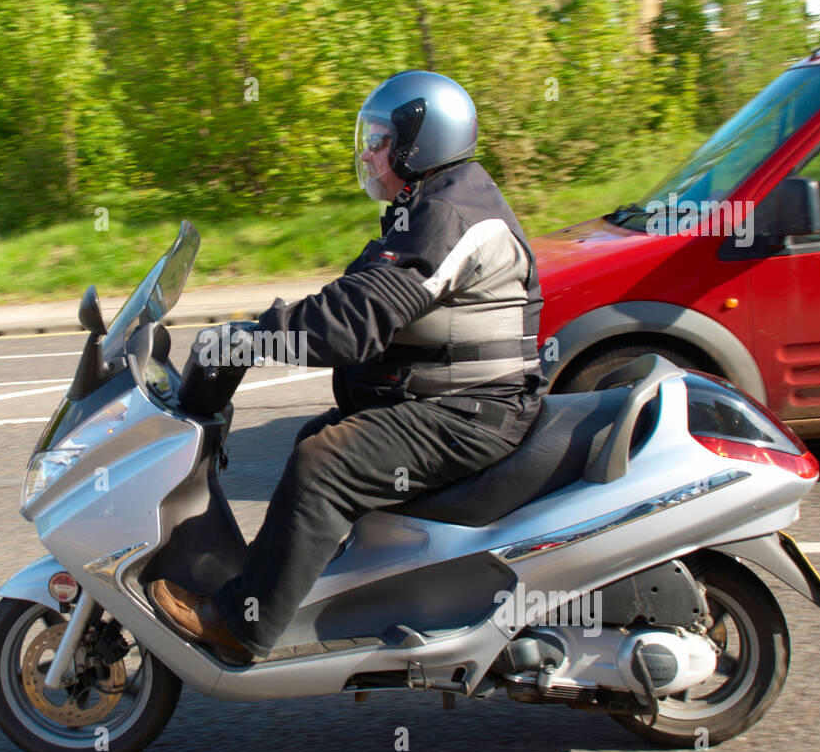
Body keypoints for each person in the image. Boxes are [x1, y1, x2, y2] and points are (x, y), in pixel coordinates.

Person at [149, 71, 546, 662]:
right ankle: (286, 593)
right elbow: (349, 295)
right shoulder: (433, 202)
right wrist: (257, 331)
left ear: (420, 144)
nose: (368, 151)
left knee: (324, 461)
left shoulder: (449, 216)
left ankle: (241, 626)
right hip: (461, 402)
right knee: (319, 436)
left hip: (473, 412)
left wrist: (251, 343)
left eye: (382, 140)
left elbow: (354, 321)